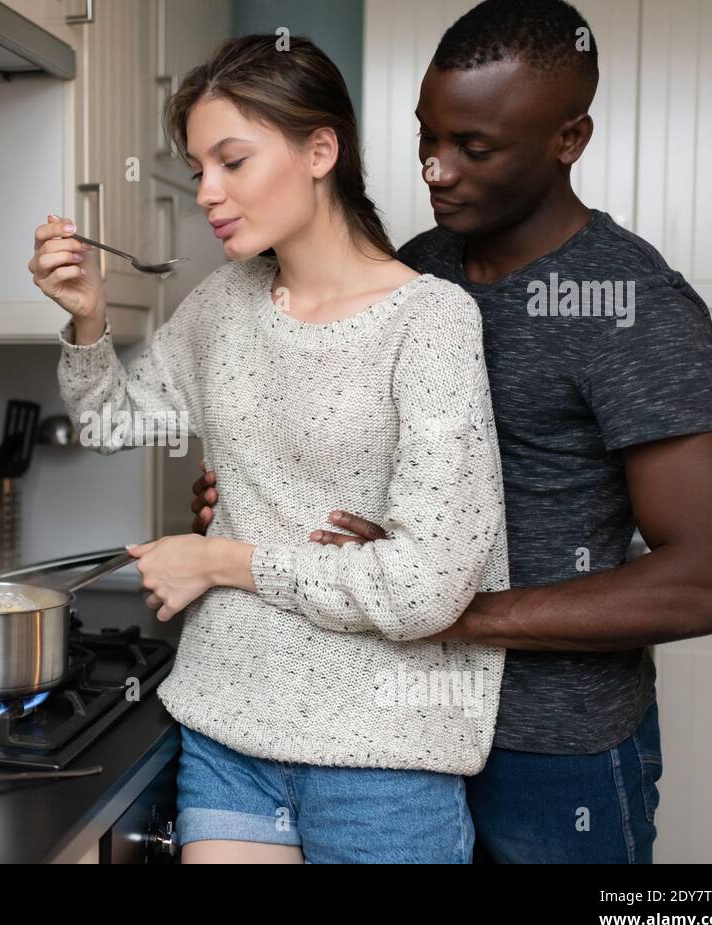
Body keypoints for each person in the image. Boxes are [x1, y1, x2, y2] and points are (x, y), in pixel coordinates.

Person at [192, 0, 712, 864]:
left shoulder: (635, 308)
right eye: (427, 137)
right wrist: (256, 488)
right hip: (394, 725)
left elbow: (710, 579)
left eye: (474, 148)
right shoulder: (416, 269)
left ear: (570, 138)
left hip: (551, 749)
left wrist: (451, 613)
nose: (436, 170)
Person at [31, 34, 510, 863]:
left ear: (320, 150)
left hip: (383, 755)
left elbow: (425, 588)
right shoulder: (223, 304)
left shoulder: (429, 322)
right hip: (227, 730)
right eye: (198, 170)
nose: (207, 193)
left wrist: (222, 562)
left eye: (233, 162)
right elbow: (114, 422)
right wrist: (86, 318)